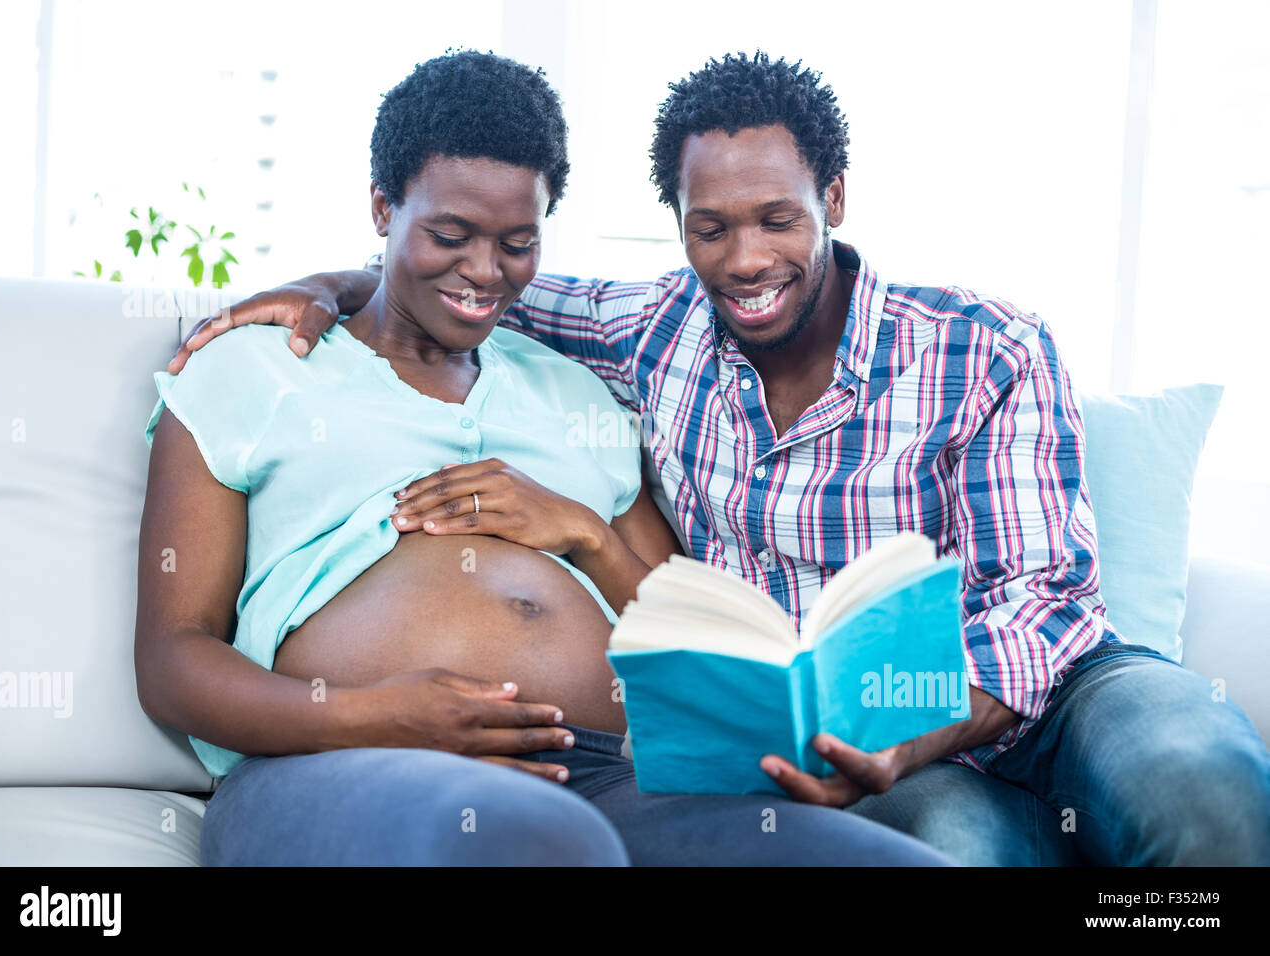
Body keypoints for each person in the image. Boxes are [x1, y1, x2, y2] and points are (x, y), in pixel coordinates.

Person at [179, 51, 1270, 866]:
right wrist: (325, 289)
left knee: (1194, 788)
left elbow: (1037, 601)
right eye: (711, 228)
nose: (746, 260)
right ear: (679, 227)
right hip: (848, 755)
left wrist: (900, 722)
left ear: (831, 203)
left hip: (1031, 691)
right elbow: (460, 274)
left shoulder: (983, 343)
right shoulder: (651, 330)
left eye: (775, 219)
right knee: (948, 849)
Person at [136, 50, 949, 866]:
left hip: (611, 773)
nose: (485, 273)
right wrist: (374, 714)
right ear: (382, 208)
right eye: (451, 236)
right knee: (542, 845)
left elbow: (694, 643)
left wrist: (585, 533)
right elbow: (174, 658)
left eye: (517, 242)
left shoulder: (575, 391)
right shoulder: (254, 369)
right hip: (336, 760)